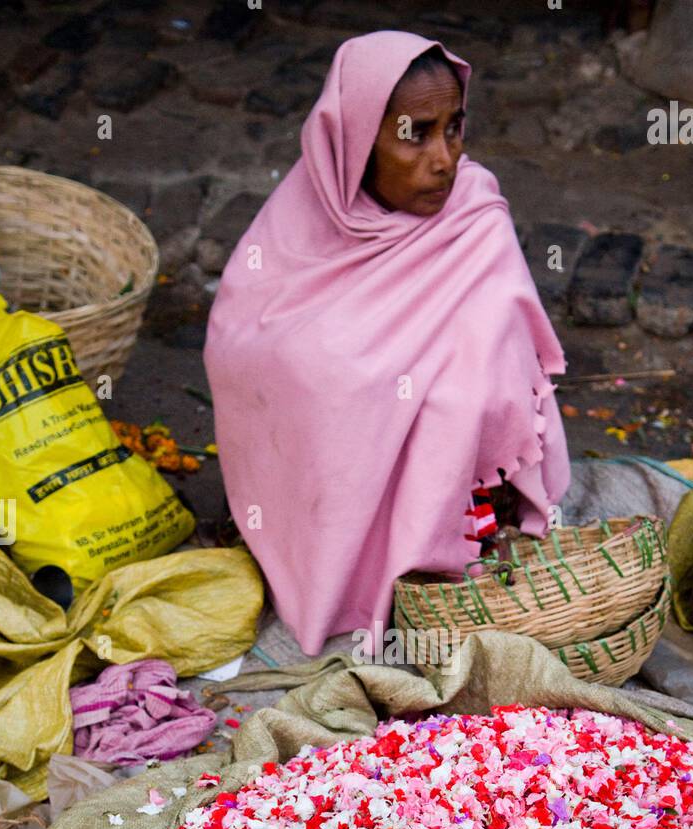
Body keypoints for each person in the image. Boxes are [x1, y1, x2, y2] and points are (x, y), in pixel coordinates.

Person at [204, 30, 570, 657]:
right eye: (414, 134)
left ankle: (437, 547)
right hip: (321, 489)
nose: (444, 157)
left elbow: (503, 355)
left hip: (470, 482)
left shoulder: (474, 212)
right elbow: (244, 350)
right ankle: (336, 548)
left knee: (453, 395)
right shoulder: (296, 228)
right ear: (354, 139)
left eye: (454, 128)